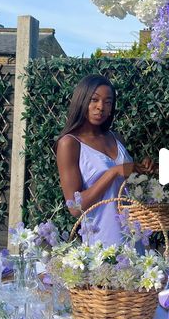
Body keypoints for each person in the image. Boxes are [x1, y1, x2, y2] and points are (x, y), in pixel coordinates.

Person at [56, 74, 155, 247]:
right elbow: (74, 207)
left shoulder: (117, 138)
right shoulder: (69, 143)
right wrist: (114, 171)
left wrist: (143, 169)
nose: (100, 107)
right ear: (82, 100)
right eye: (94, 100)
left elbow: (127, 187)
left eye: (108, 102)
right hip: (102, 244)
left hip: (134, 237)